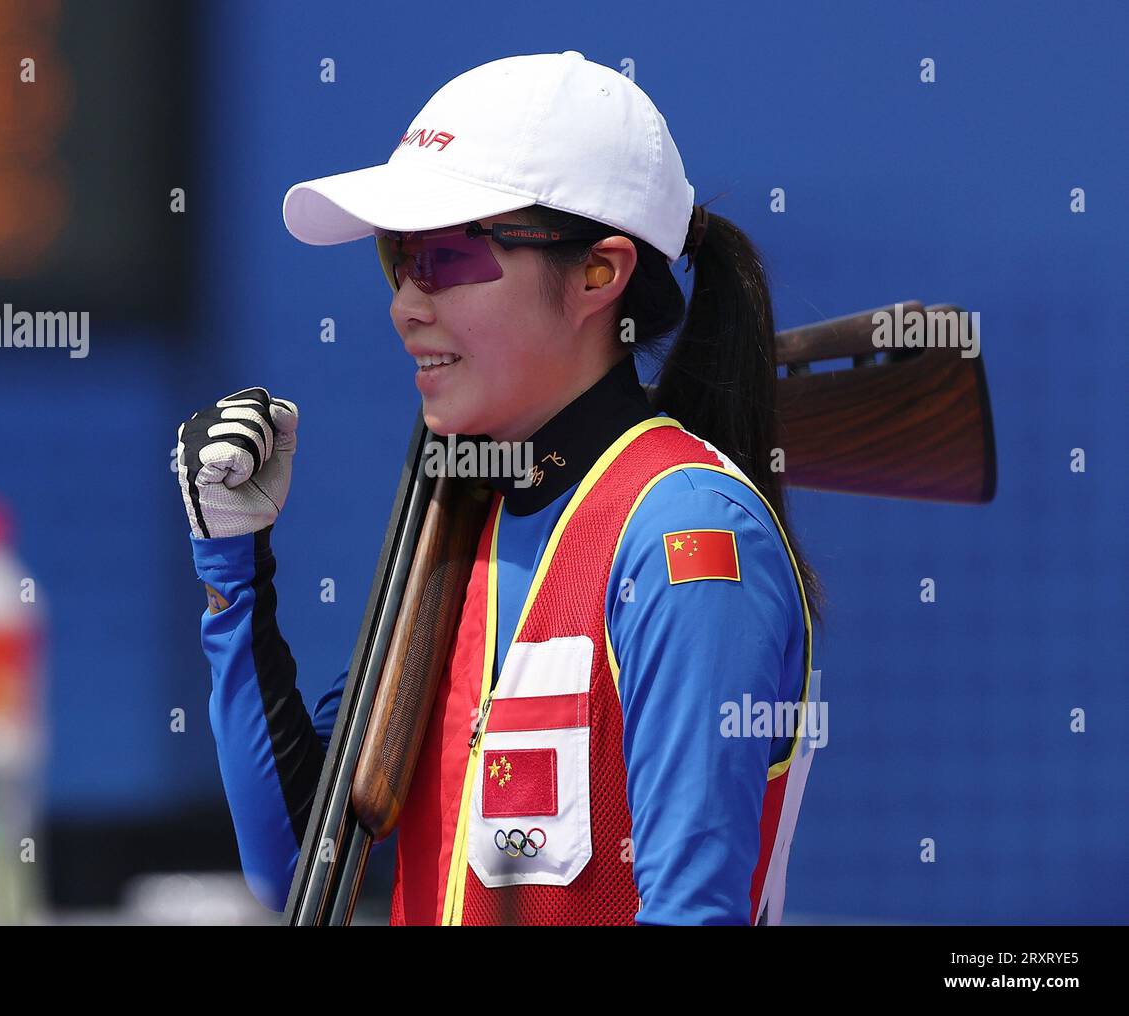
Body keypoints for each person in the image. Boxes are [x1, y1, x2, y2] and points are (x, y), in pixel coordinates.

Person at [175, 51, 823, 925]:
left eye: (446, 254)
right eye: (397, 258)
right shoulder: (460, 513)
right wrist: (233, 573)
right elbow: (298, 865)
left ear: (600, 274)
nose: (407, 302)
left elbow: (690, 914)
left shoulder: (687, 532)